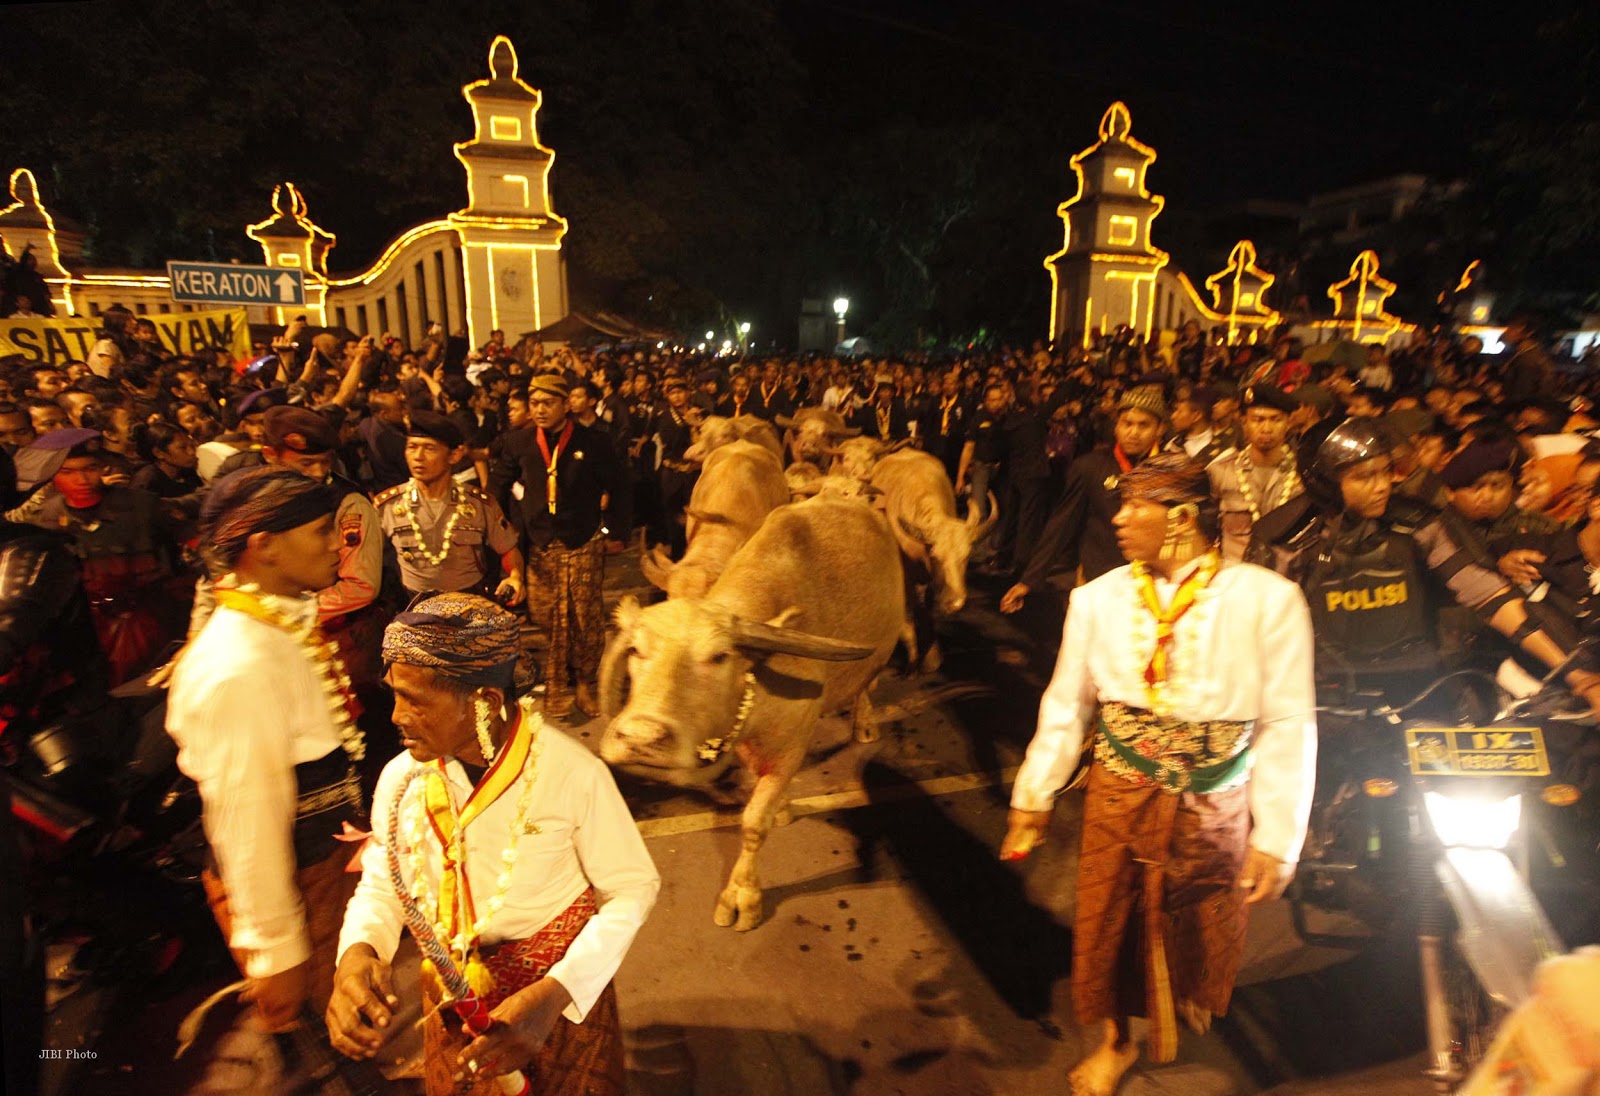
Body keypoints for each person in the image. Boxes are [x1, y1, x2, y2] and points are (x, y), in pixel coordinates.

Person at [1002, 452, 1317, 1096]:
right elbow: (1066, 703)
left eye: (1133, 507)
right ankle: (1118, 1041)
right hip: (1121, 791)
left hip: (1215, 800)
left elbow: (1289, 721)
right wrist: (1034, 794)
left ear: (1181, 517)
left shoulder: (1269, 599)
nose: (1117, 520)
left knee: (1200, 915)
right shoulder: (1096, 599)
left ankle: (1185, 995)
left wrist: (1277, 838)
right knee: (1111, 924)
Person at [329, 594, 659, 1095]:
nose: (395, 715)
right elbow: (384, 882)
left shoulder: (572, 774)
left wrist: (558, 992)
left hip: (552, 1001)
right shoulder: (400, 779)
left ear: (483, 701)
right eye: (394, 694)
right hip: (453, 996)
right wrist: (358, 949)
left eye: (415, 699)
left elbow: (632, 889)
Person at [166, 467, 367, 1035]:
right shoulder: (237, 665)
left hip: (327, 873)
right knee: (339, 1036)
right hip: (302, 891)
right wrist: (277, 953)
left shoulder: (281, 627)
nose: (338, 543)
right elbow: (246, 821)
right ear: (265, 546)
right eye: (322, 531)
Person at [1246, 417, 1600, 707]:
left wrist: (1575, 674)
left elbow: (1490, 595)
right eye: (1364, 477)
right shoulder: (1284, 540)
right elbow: (1254, 633)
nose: (1382, 486)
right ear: (1325, 482)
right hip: (1318, 698)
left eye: (1385, 471)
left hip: (1421, 687)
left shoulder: (1417, 524)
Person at [489, 373, 623, 720]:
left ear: (566, 405)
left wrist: (618, 530)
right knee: (548, 614)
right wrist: (499, 528)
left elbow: (620, 486)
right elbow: (497, 486)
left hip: (582, 540)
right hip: (540, 543)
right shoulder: (518, 442)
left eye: (548, 403)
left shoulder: (593, 441)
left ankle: (583, 684)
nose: (540, 410)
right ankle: (561, 673)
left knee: (584, 618)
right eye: (535, 403)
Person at [1001, 384, 1166, 614]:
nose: (1133, 432)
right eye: (1127, 423)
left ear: (1160, 429)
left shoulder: (1171, 472)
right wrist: (1029, 580)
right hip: (1099, 581)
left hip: (1157, 584)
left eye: (1143, 425)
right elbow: (1061, 524)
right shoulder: (1090, 467)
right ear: (1116, 426)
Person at [376, 411, 524, 602]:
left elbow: (508, 549)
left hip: (470, 602)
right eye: (412, 447)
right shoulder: (389, 505)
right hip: (412, 604)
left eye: (429, 448)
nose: (418, 457)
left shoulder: (478, 503)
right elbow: (366, 559)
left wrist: (515, 576)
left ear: (455, 455)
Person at [1206, 383, 1302, 560]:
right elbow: (1205, 528)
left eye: (1276, 420)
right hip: (1234, 571)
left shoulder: (1303, 474)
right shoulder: (1220, 471)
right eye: (1258, 420)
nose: (1266, 428)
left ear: (1288, 423)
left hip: (1285, 571)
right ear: (1244, 423)